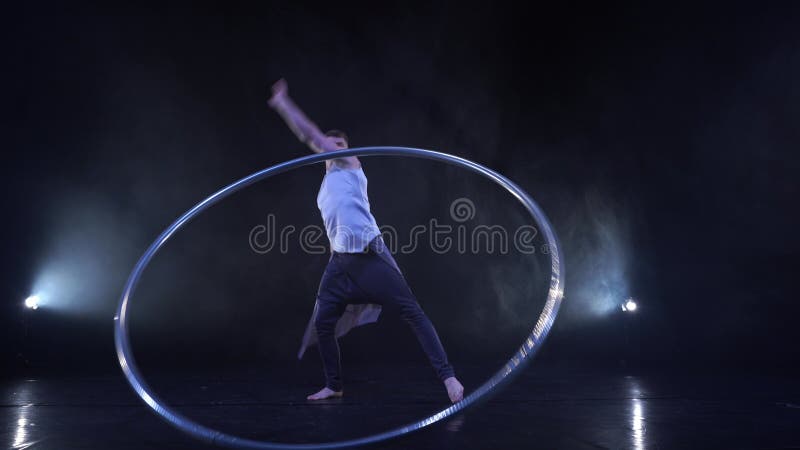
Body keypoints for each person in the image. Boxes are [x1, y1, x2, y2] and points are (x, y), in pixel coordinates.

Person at [268, 79, 464, 403]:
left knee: (412, 311)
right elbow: (334, 221)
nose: (333, 146)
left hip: (369, 258)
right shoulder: (326, 184)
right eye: (332, 144)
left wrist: (283, 103)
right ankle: (334, 385)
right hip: (340, 264)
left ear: (348, 150)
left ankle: (449, 379)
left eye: (340, 143)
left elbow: (310, 135)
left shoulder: (351, 164)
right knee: (323, 324)